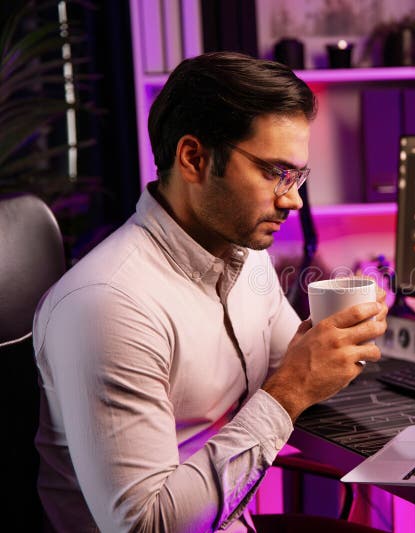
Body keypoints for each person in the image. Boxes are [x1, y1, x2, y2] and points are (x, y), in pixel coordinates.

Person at [33, 51, 387, 532]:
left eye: (298, 176)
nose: (293, 199)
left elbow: (296, 366)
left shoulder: (246, 258)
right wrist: (289, 392)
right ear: (194, 158)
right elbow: (145, 526)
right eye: (273, 172)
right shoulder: (108, 304)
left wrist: (339, 342)